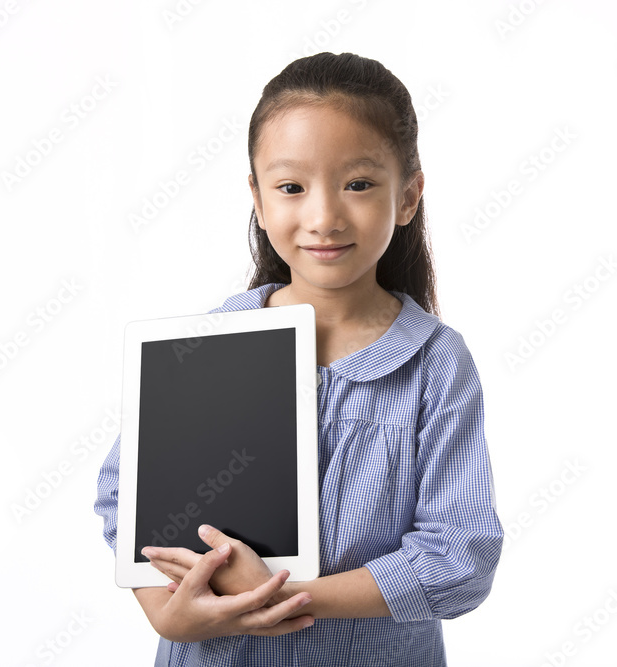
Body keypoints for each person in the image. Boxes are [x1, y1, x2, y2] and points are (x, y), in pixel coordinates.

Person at [93, 51, 503, 666]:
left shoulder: (436, 364)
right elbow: (123, 491)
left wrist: (283, 597)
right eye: (291, 187)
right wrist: (164, 609)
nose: (324, 217)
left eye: (359, 184)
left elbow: (460, 557)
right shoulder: (211, 343)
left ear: (410, 195)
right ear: (258, 199)